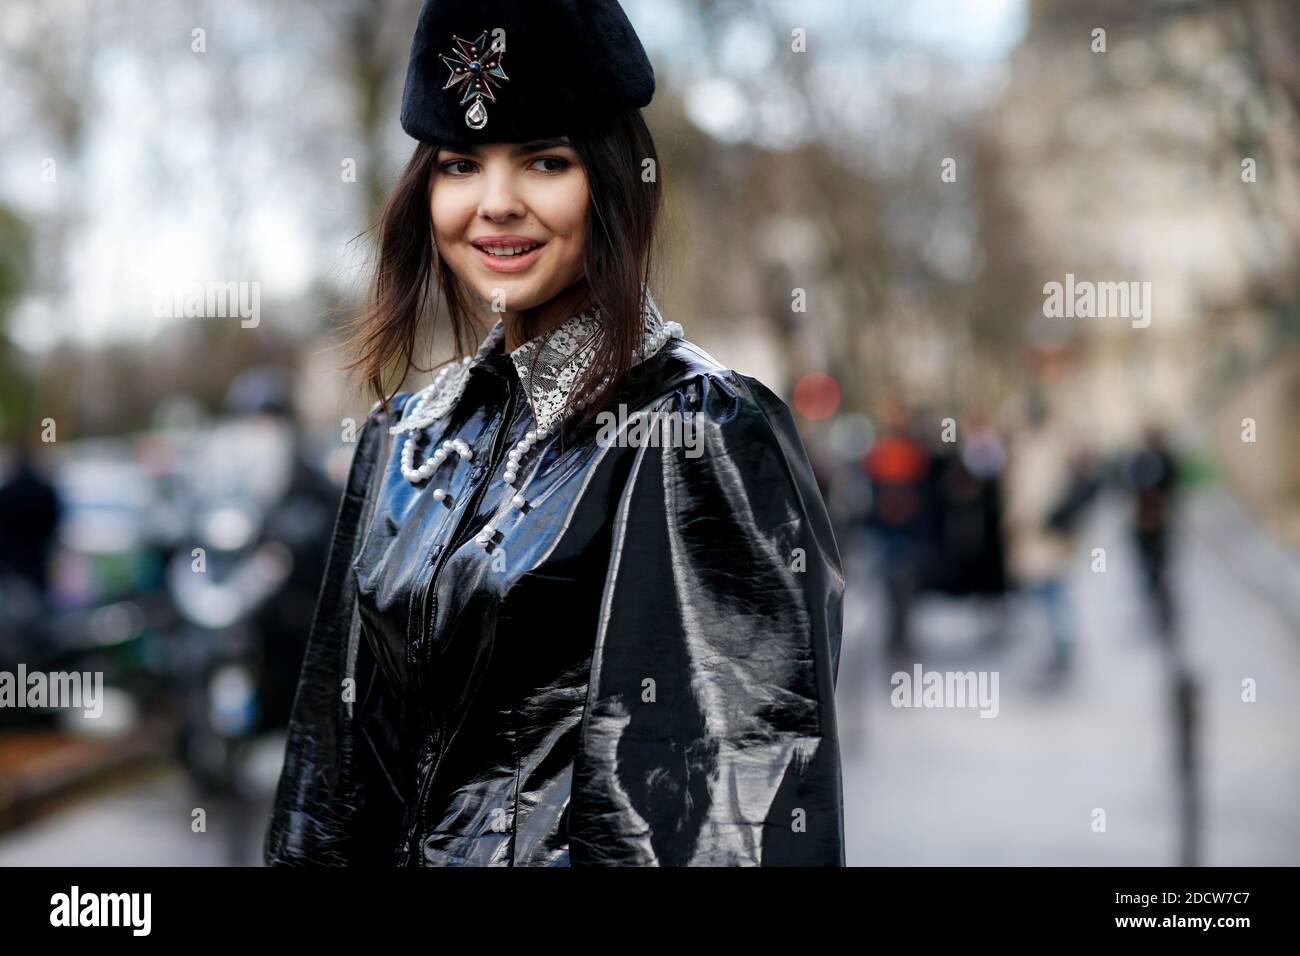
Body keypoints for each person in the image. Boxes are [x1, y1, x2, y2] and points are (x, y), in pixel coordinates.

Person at [265, 0, 845, 867]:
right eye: (461, 165)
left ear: (614, 180)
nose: (495, 205)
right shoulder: (400, 442)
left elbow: (728, 825)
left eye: (544, 161)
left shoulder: (700, 436)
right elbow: (329, 781)